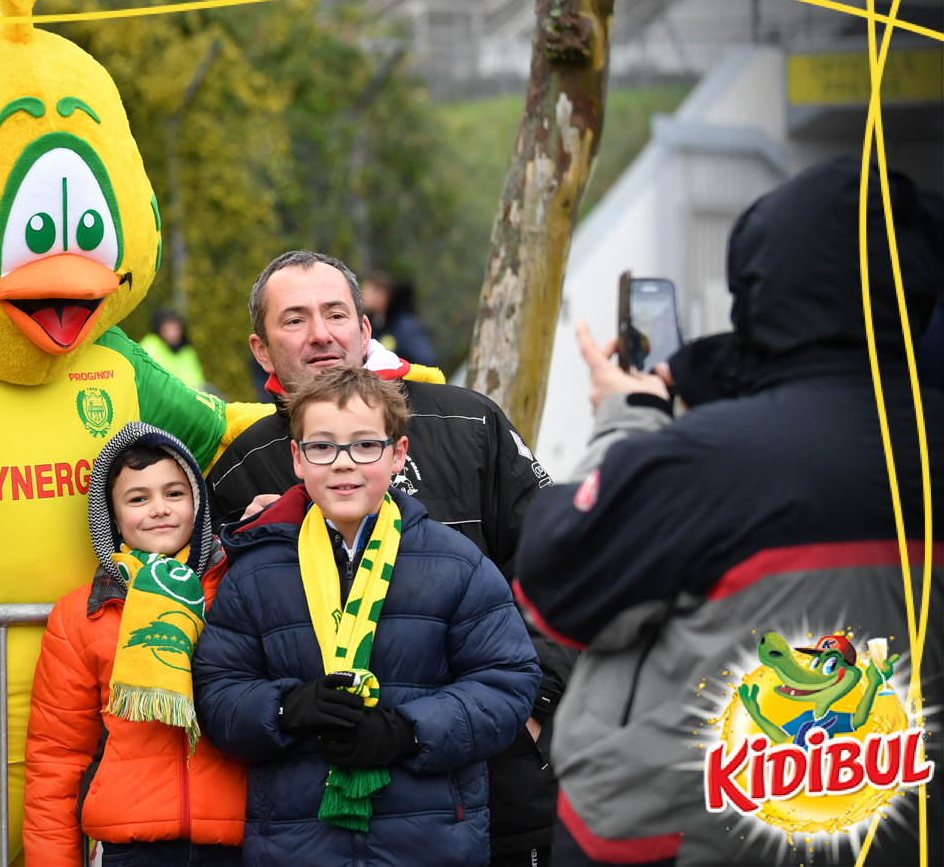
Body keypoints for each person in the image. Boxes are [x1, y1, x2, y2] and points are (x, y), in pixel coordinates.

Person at [514, 157, 941, 866]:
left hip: (686, 837)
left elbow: (555, 581)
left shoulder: (702, 463)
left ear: (762, 283)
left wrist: (631, 417)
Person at [206, 250, 573, 865]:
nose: (320, 334)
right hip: (311, 818)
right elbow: (221, 648)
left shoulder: (467, 422)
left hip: (487, 780)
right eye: (294, 320)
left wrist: (533, 707)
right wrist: (241, 544)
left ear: (364, 328)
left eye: (335, 314)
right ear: (262, 350)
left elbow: (563, 560)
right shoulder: (245, 466)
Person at [24, 422, 246, 866]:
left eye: (175, 493)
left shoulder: (241, 591)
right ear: (112, 516)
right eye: (138, 498)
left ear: (199, 503)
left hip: (239, 841)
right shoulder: (83, 614)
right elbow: (56, 760)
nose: (159, 509)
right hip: (133, 849)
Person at [362, 272, 437, 367]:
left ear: (381, 295)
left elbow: (426, 361)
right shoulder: (375, 326)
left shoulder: (405, 326)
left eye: (367, 292)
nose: (363, 297)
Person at [139, 307, 207, 390]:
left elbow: (197, 379)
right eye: (168, 329)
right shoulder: (149, 347)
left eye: (176, 328)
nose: (173, 333)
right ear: (159, 329)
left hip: (188, 398)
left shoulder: (186, 350)